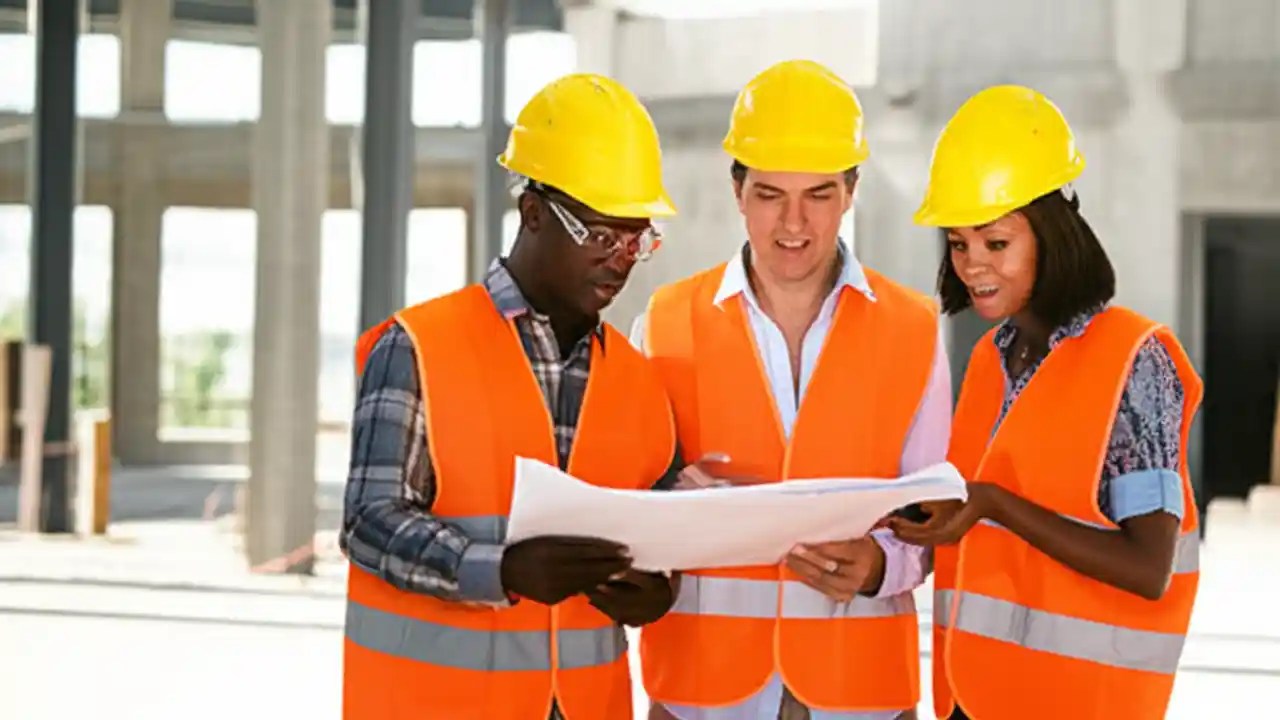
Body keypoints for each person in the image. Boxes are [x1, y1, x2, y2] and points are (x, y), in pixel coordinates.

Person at [340, 73, 683, 720]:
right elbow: (369, 522)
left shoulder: (639, 380)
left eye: (636, 238)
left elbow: (664, 526)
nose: (621, 259)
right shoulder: (418, 347)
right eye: (600, 234)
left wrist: (658, 590)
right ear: (531, 213)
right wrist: (497, 570)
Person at [631, 59, 952, 720]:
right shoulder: (664, 322)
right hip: (702, 694)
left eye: (820, 195)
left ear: (853, 190)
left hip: (860, 694)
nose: (793, 224)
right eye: (771, 194)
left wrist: (880, 567)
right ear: (737, 190)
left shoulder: (914, 328)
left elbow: (935, 516)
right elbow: (633, 500)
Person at [892, 85, 1203, 720]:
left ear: (1052, 234)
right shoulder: (988, 360)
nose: (974, 264)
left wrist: (993, 505)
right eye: (958, 244)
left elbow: (1149, 566)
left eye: (995, 243)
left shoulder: (1134, 360)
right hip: (972, 699)